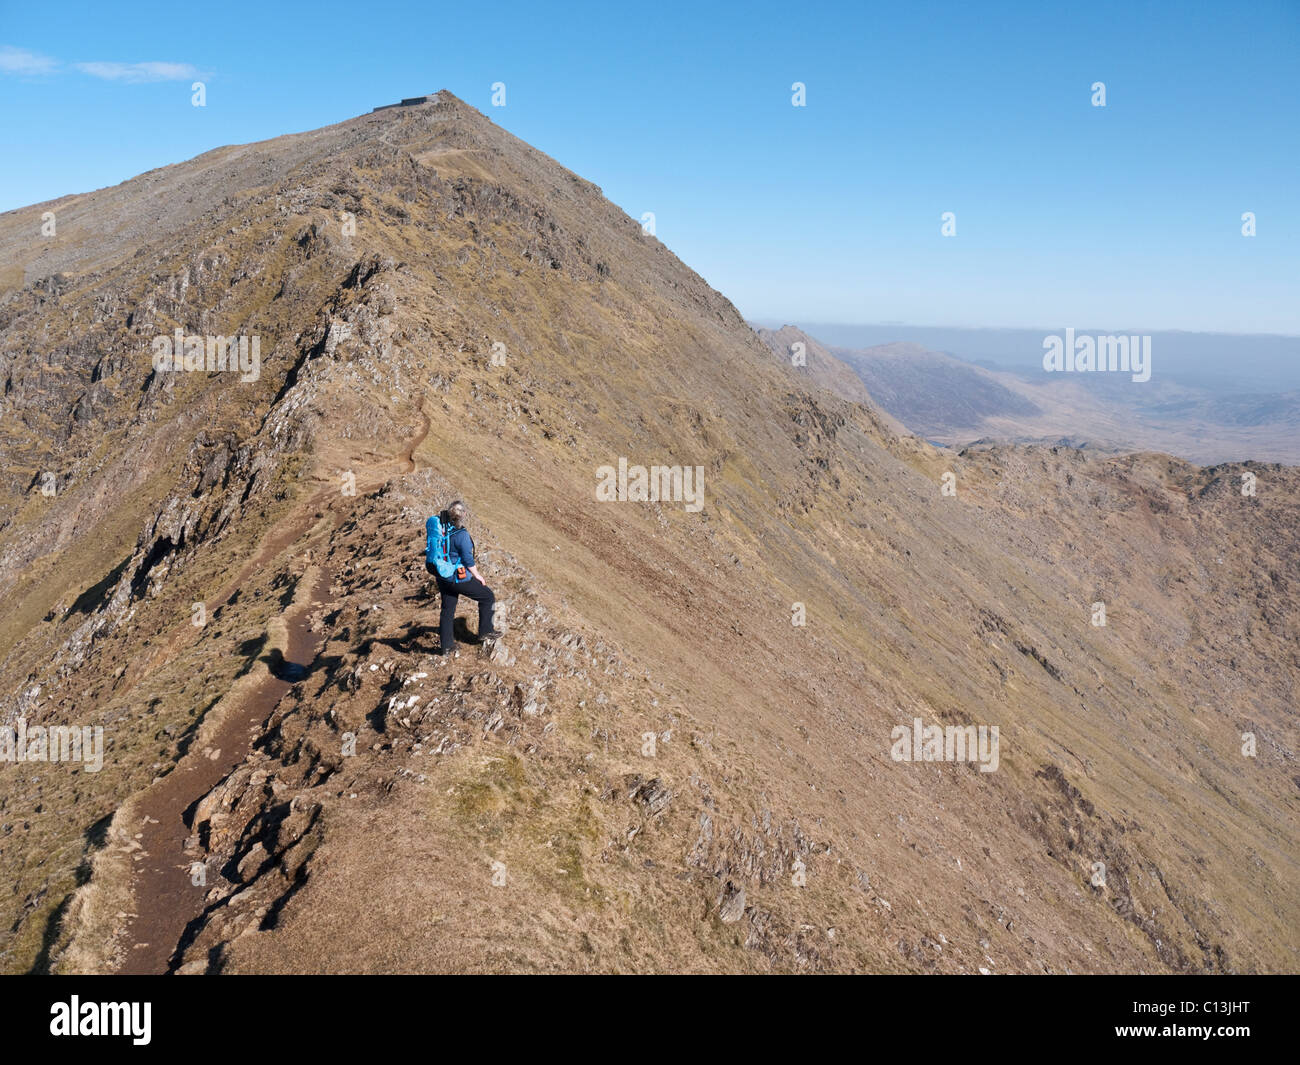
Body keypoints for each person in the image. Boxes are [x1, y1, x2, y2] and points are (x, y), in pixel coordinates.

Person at [429, 500, 501, 654]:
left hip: (442, 576)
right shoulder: (462, 535)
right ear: (463, 515)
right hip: (457, 578)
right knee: (487, 596)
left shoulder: (441, 528)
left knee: (447, 610)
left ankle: (447, 646)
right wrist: (478, 576)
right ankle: (486, 631)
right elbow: (468, 560)